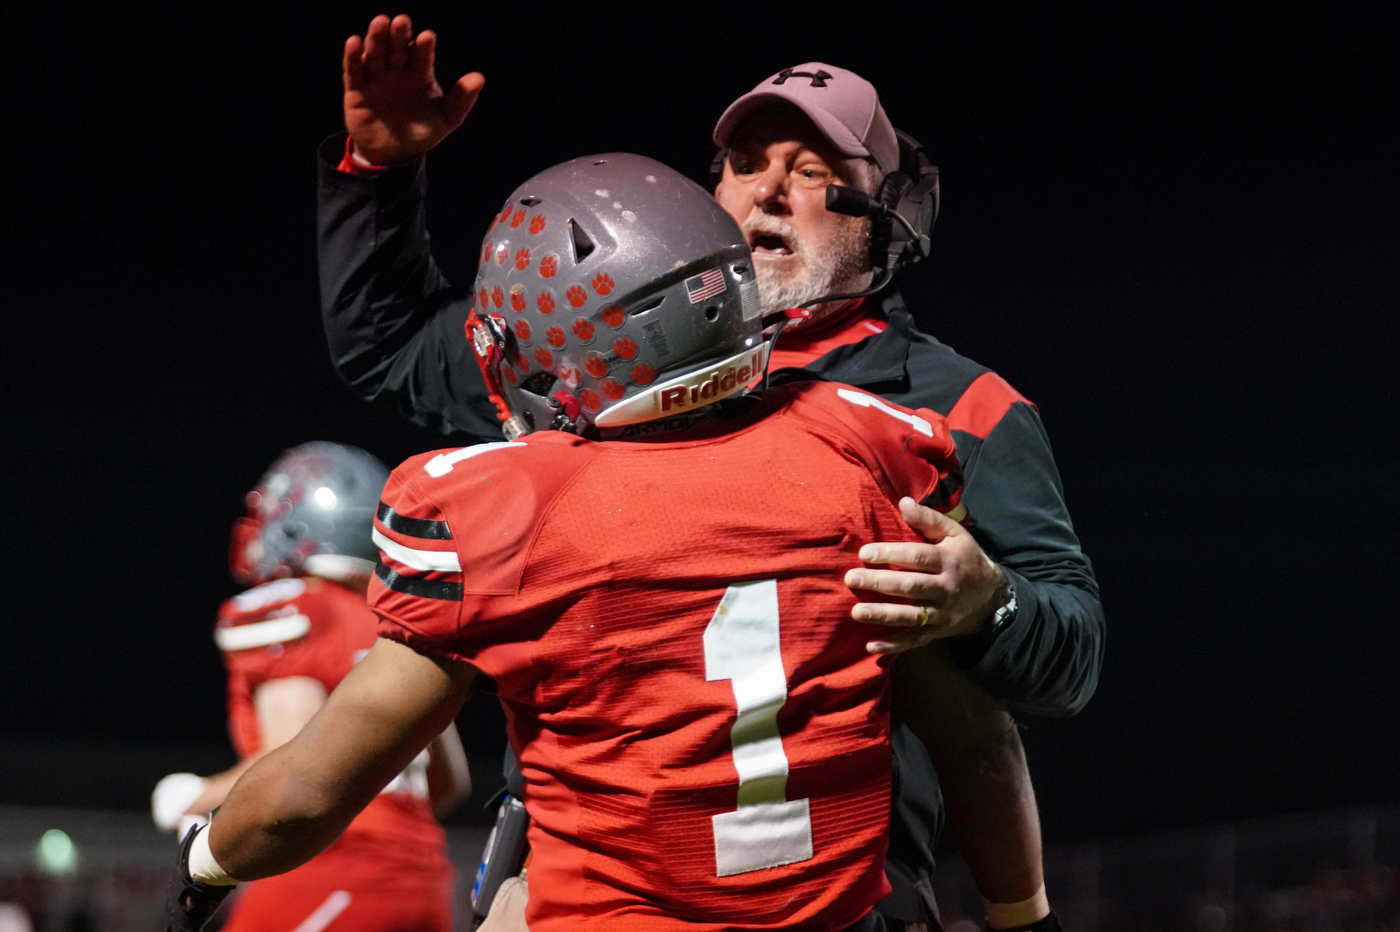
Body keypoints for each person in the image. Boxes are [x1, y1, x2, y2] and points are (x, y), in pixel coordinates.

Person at [316, 16, 1104, 930]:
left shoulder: (960, 408)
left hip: (837, 893)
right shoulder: (600, 350)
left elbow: (1074, 657)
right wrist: (379, 174)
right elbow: (388, 346)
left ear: (889, 214)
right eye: (745, 163)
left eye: (813, 172)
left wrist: (991, 601)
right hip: (589, 886)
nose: (767, 191)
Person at [173, 153, 995, 932]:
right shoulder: (861, 450)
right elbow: (977, 738)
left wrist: (204, 863)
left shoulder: (515, 509)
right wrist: (1027, 913)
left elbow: (304, 796)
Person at [154, 442, 470, 932]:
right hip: (423, 888)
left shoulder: (299, 609)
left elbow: (292, 765)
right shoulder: (399, 626)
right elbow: (449, 783)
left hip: (329, 870)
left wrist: (193, 796)